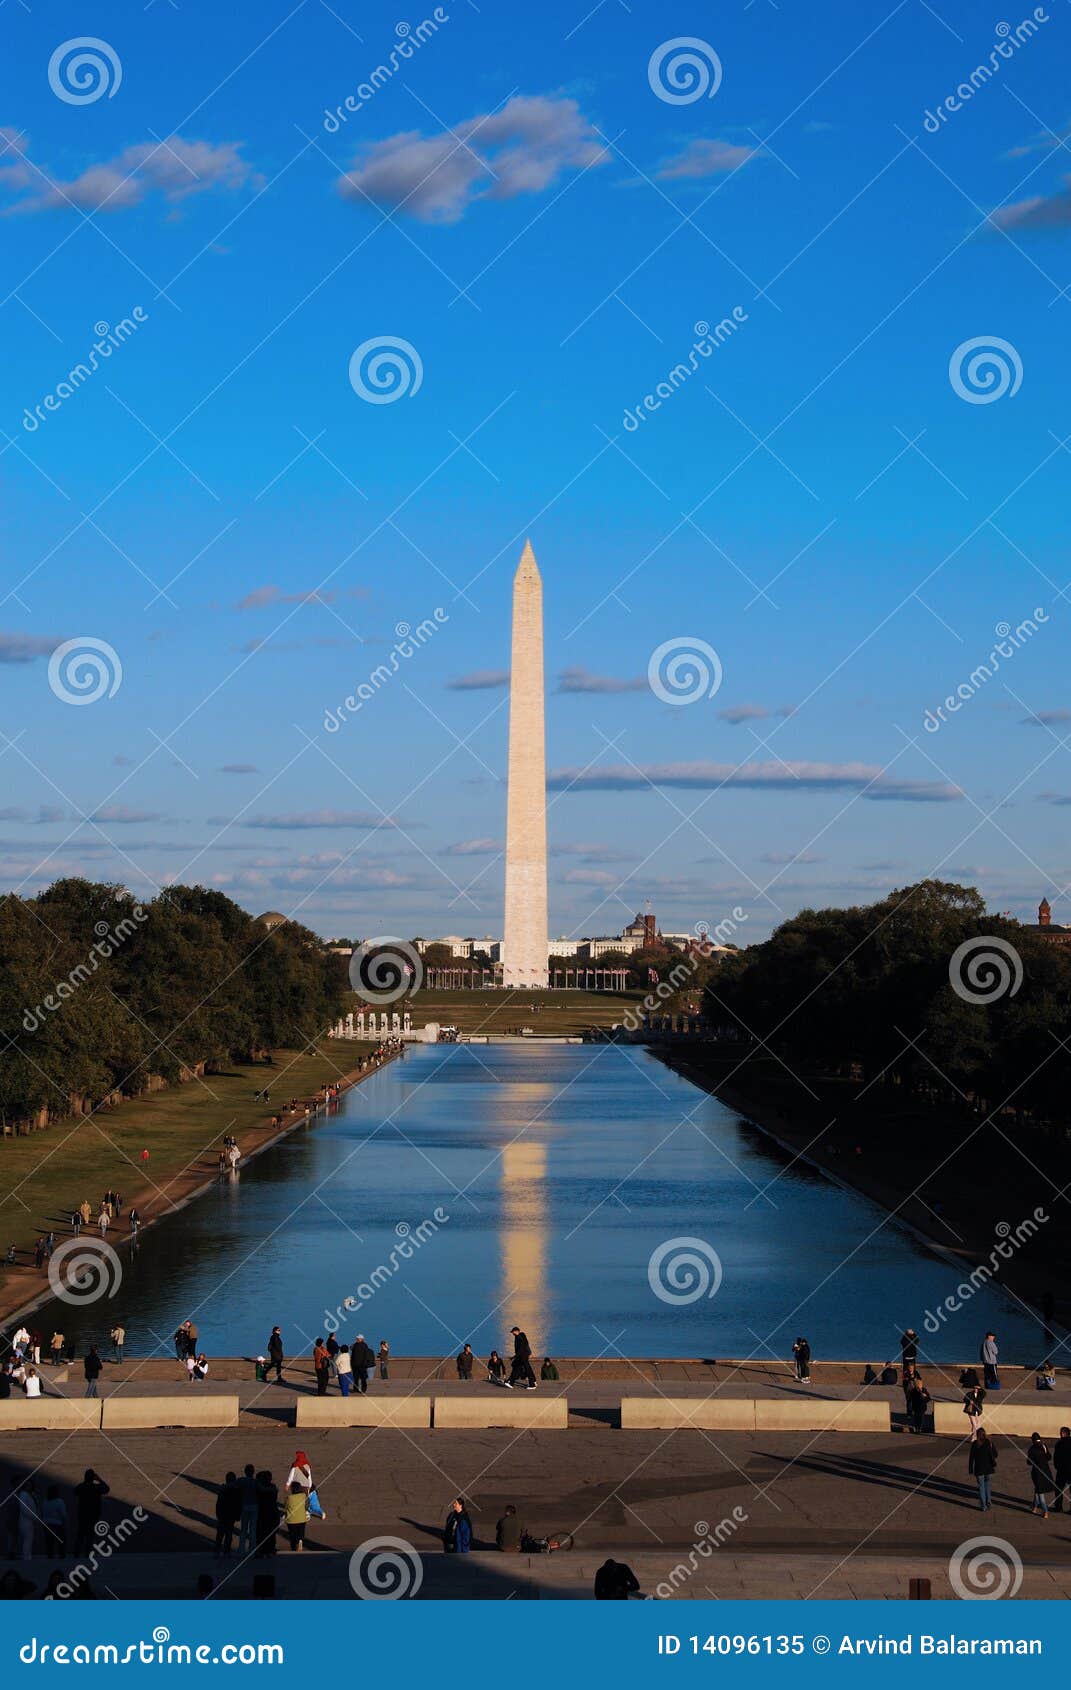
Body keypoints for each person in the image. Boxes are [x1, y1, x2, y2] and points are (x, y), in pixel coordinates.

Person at [73, 1470, 109, 1554]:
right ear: (93, 1478)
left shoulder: (81, 1487)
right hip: (93, 1515)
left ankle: (77, 1553)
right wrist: (99, 1479)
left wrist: (84, 1482)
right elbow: (107, 1489)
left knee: (80, 1535)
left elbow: (75, 1491)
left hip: (82, 1514)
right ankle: (87, 1553)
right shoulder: (96, 1487)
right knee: (90, 1535)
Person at [969, 1428, 998, 1511]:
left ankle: (983, 1506)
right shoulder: (988, 1442)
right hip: (988, 1469)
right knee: (987, 1486)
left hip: (979, 1469)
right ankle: (988, 1501)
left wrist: (971, 1469)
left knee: (981, 1487)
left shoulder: (975, 1444)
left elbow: (971, 1458)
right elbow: (995, 1454)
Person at [1028, 1432, 1055, 1518]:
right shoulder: (1044, 1446)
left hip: (1037, 1472)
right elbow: (1049, 1457)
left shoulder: (1032, 1448)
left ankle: (1045, 1511)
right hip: (1046, 1471)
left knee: (1040, 1492)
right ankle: (1035, 1507)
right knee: (1037, 1489)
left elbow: (1029, 1462)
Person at [215, 1472, 241, 1558]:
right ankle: (226, 1551)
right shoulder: (236, 1490)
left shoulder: (222, 1489)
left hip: (222, 1514)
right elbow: (237, 1504)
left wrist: (218, 1514)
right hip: (230, 1515)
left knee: (220, 1534)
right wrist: (237, 1515)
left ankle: (218, 1551)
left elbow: (218, 1504)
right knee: (228, 1534)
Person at [255, 1471, 279, 1558]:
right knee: (269, 1533)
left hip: (264, 1512)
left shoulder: (262, 1487)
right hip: (270, 1512)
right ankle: (269, 1550)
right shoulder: (272, 1487)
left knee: (263, 1533)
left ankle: (264, 1550)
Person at [237, 1465, 259, 1557]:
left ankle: (241, 1550)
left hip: (245, 1506)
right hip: (254, 1506)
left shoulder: (241, 1481)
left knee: (243, 1529)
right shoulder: (256, 1482)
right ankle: (252, 1551)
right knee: (253, 1530)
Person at [41, 1487, 67, 1558]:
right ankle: (61, 1554)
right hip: (57, 1523)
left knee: (49, 1541)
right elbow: (63, 1513)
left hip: (46, 1523)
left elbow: (43, 1511)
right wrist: (65, 1520)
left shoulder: (45, 1501)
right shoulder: (59, 1501)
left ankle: (50, 1555)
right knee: (61, 1540)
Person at [284, 1483, 308, 1552]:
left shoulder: (288, 1498)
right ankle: (300, 1540)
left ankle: (294, 1548)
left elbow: (285, 1507)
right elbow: (307, 1506)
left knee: (292, 1535)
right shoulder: (304, 1496)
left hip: (291, 1520)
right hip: (302, 1519)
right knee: (301, 1532)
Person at [1053, 1426, 1071, 1513]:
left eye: (1061, 1432)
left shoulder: (1059, 1444)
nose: (1060, 1434)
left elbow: (1056, 1457)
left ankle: (1058, 1507)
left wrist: (1057, 1466)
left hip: (1062, 1471)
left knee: (1058, 1489)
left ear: (1064, 1433)